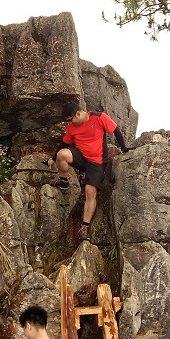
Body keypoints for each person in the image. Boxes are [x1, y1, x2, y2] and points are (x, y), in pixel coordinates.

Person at [49, 101, 129, 241]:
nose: (70, 123)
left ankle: (84, 227)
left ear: (78, 114)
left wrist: (124, 148)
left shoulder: (99, 117)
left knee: (90, 192)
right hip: (80, 157)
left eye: (71, 119)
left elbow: (115, 130)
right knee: (62, 154)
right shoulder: (72, 127)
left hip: (97, 162)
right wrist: (53, 158)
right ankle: (63, 181)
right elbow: (64, 143)